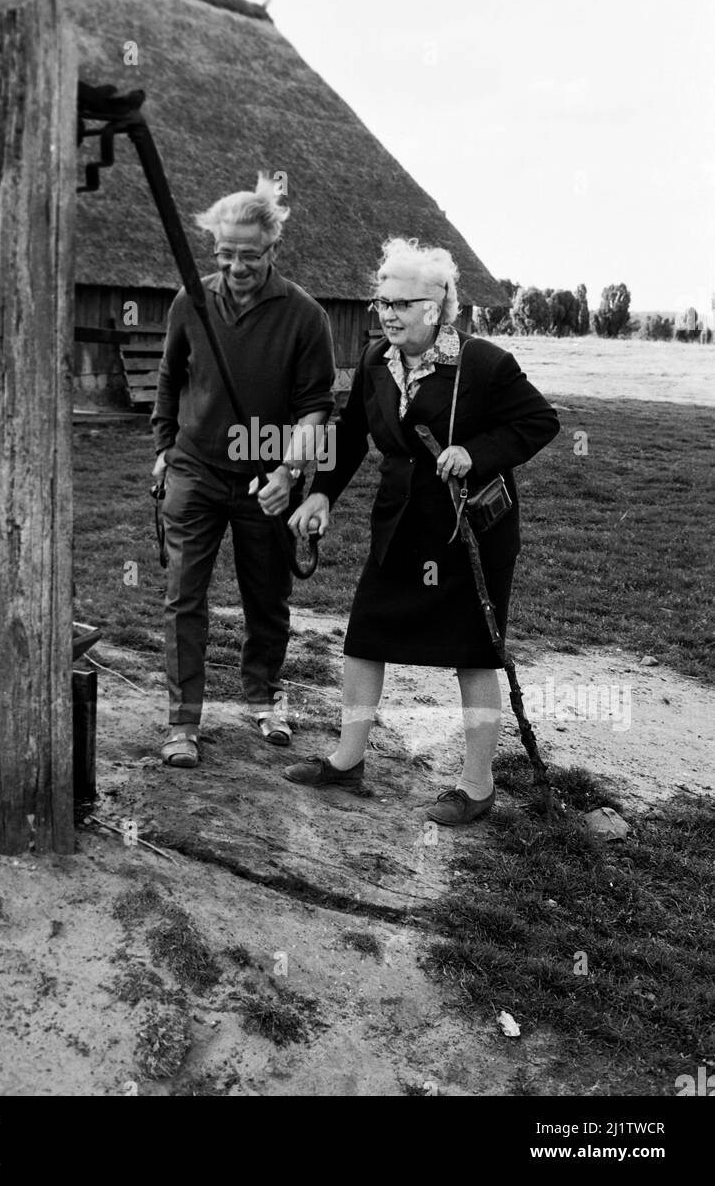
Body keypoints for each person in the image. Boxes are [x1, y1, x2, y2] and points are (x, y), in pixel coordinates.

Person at [285, 238, 559, 824]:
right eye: (380, 301)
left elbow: (540, 422)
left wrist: (476, 452)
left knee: (473, 653)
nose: (387, 313)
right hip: (399, 527)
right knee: (364, 637)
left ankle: (477, 786)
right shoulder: (375, 361)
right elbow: (352, 432)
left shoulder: (484, 364)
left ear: (436, 306)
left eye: (401, 303)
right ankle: (347, 758)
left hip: (470, 535)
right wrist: (320, 495)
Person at [151, 174, 336, 768]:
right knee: (184, 596)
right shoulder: (190, 301)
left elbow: (315, 407)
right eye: (225, 254)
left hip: (267, 481)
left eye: (249, 255)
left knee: (266, 596)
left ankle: (264, 696)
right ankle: (182, 722)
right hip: (195, 471)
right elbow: (170, 378)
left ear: (273, 249)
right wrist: (162, 447)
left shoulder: (306, 316)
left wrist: (291, 469)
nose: (235, 266)